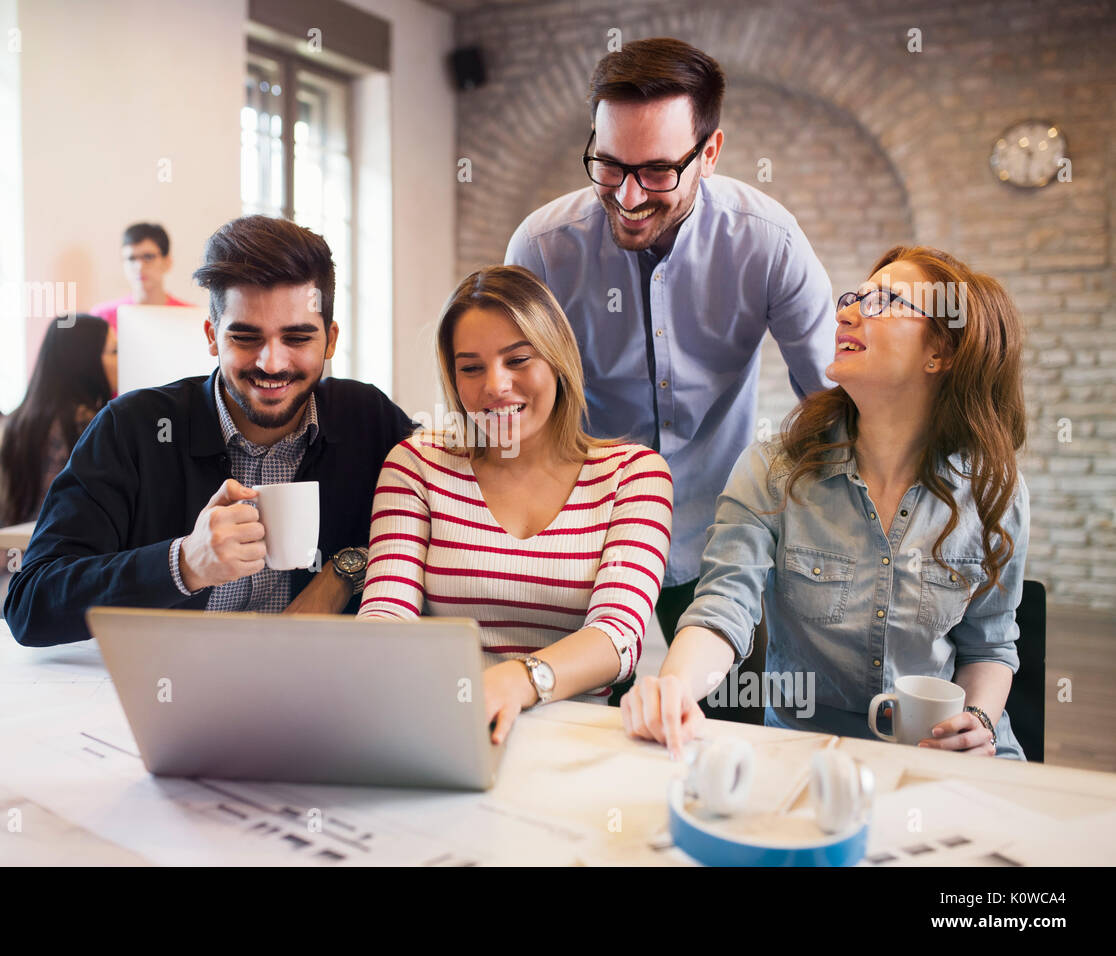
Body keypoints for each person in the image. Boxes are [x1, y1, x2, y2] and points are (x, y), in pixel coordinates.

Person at [620, 246, 1030, 760]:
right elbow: (723, 607)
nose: (846, 313)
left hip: (945, 753)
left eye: (882, 302)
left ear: (940, 352)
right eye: (854, 297)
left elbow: (990, 646)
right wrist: (676, 688)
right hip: (811, 750)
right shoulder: (773, 470)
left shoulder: (993, 491)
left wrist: (979, 723)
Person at [505, 37, 836, 654]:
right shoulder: (543, 248)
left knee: (737, 702)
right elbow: (516, 405)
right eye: (609, 165)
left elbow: (833, 398)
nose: (628, 197)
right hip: (581, 530)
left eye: (657, 171)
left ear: (709, 153)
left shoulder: (769, 243)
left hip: (721, 530)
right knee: (570, 702)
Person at [5, 215, 415, 646]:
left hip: (320, 679)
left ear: (330, 340)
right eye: (245, 338)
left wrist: (342, 572)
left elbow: (446, 515)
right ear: (212, 336)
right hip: (167, 679)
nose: (272, 363)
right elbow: (31, 605)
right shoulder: (131, 428)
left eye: (297, 338)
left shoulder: (366, 418)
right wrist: (183, 564)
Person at [358, 266, 673, 745]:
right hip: (447, 729)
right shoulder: (416, 464)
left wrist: (520, 679)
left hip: (577, 741)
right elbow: (386, 613)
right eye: (471, 368)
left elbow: (618, 636)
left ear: (557, 359)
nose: (495, 385)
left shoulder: (634, 475)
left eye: (518, 359)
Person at [0, 315, 116, 615]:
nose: (122, 359)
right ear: (86, 361)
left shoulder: (12, 424)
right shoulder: (87, 425)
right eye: (113, 351)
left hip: (1, 587)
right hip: (46, 589)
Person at [89, 222, 193, 331]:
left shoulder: (191, 317)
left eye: (148, 257)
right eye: (131, 259)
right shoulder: (102, 318)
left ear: (167, 262)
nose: (139, 267)